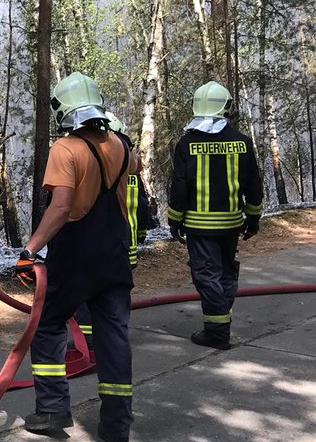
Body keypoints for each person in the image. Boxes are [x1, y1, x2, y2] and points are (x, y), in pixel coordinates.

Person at [19, 73, 137, 442]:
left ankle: (53, 410)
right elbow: (134, 166)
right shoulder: (118, 143)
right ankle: (117, 426)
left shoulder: (65, 149)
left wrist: (31, 250)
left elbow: (62, 207)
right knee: (113, 335)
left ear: (62, 108)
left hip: (77, 254)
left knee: (49, 323)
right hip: (115, 252)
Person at [166, 81, 263, 350]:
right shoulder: (242, 142)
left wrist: (174, 220)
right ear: (226, 109)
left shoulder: (187, 144)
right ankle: (221, 320)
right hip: (231, 224)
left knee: (207, 275)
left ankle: (217, 332)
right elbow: (254, 184)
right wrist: (253, 219)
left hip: (199, 226)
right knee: (226, 272)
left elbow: (179, 186)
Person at [74, 111, 150, 353]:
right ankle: (116, 334)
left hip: (100, 242)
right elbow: (142, 206)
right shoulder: (129, 166)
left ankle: (89, 339)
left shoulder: (97, 166)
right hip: (125, 244)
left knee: (87, 292)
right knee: (116, 293)